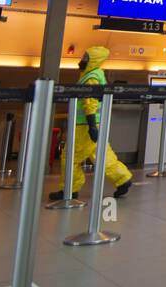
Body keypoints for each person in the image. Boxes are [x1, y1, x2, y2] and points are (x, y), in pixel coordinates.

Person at [50, 45, 132, 200]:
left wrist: (91, 125)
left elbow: (90, 102)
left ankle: (69, 189)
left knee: (70, 157)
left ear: (93, 60)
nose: (82, 60)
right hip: (92, 124)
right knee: (103, 156)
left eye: (86, 58)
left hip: (85, 126)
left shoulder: (91, 78)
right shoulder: (94, 74)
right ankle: (123, 179)